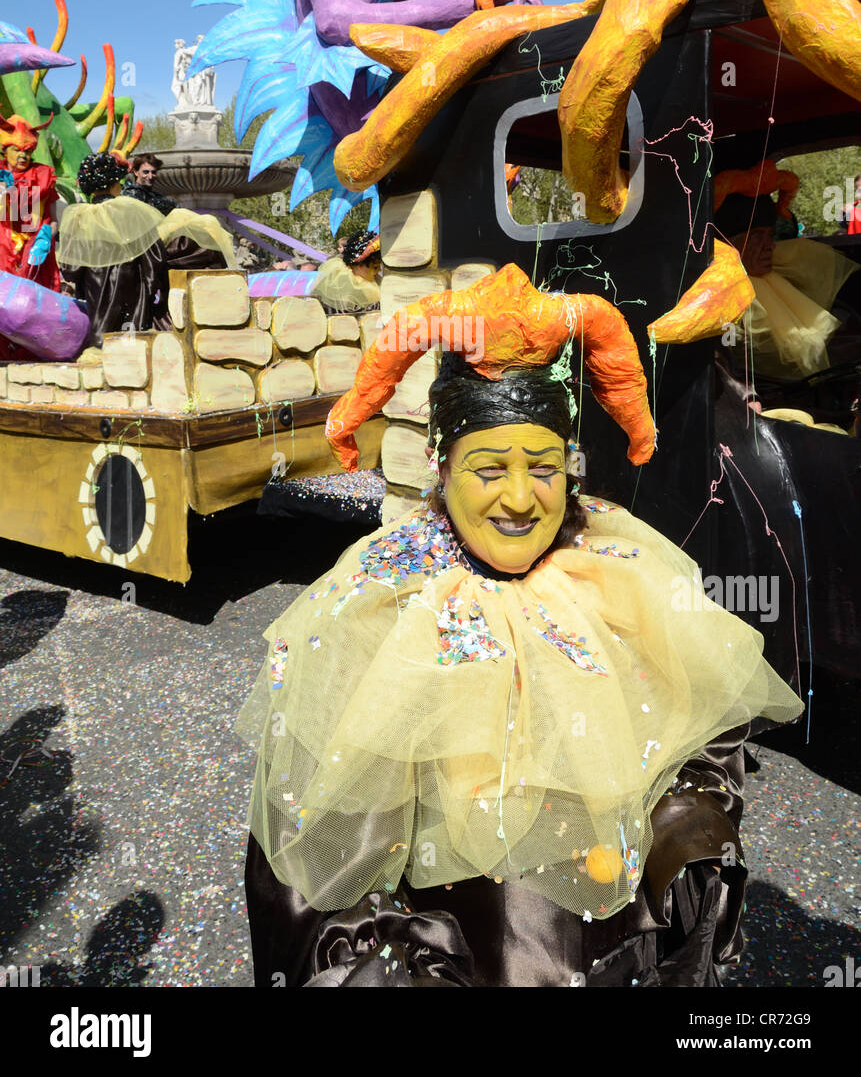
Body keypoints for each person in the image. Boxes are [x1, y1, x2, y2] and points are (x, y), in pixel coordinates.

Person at [238, 264, 801, 987]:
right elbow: (312, 837)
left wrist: (686, 835)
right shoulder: (376, 601)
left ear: (571, 469)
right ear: (441, 470)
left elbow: (694, 736)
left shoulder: (621, 574)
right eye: (486, 467)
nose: (517, 497)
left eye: (541, 466)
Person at [714, 165, 860, 379]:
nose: (770, 246)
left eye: (769, 235)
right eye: (756, 236)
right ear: (727, 242)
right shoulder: (717, 293)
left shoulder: (777, 278)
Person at [58, 152, 172, 346]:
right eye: (118, 182)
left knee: (103, 343)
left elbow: (71, 269)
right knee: (131, 345)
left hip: (95, 288)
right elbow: (154, 255)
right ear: (112, 184)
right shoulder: (130, 210)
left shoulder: (80, 217)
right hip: (131, 287)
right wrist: (154, 287)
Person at [0, 113, 61, 291]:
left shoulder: (44, 176)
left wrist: (47, 236)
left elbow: (54, 219)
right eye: (17, 150)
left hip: (35, 254)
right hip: (3, 254)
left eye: (27, 151)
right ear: (5, 150)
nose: (23, 155)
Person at [310, 228, 381, 313]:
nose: (379, 270)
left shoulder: (374, 282)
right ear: (358, 265)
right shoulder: (340, 281)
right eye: (375, 267)